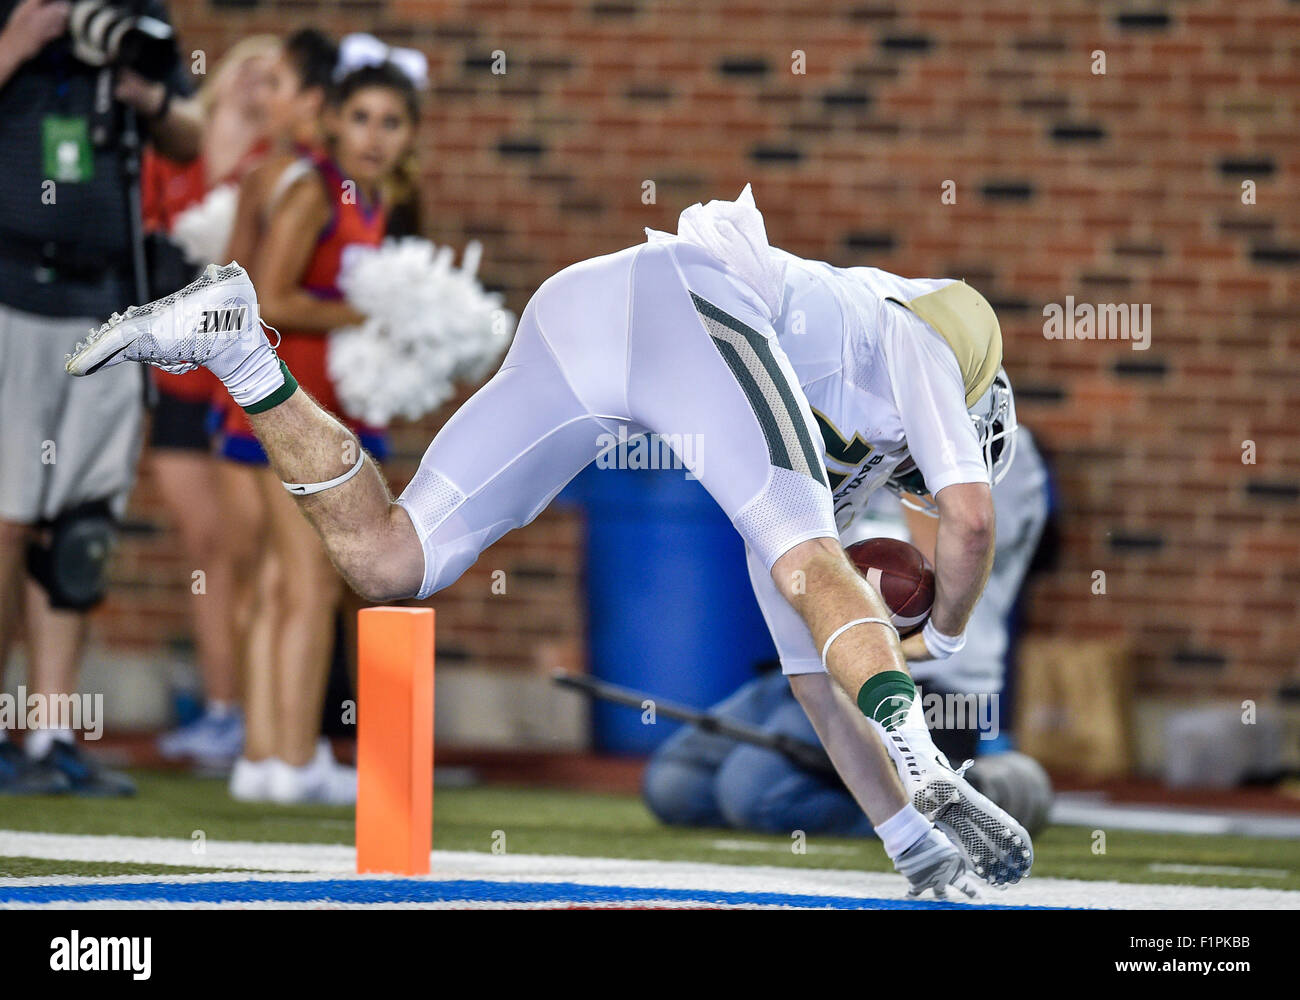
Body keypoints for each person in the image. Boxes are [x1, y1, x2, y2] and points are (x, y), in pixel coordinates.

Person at [68, 187, 1031, 896]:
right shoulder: (929, 337)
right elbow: (972, 522)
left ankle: (239, 345)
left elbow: (820, 692)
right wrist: (940, 645)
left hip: (585, 316)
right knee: (808, 558)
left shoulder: (810, 460)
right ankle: (927, 761)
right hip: (689, 302)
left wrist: (915, 847)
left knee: (390, 562)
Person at [643, 429, 1051, 837]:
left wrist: (914, 443)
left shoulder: (995, 443)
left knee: (749, 793)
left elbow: (936, 572)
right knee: (675, 784)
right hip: (817, 665)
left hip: (929, 686)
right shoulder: (850, 429)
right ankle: (900, 793)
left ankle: (962, 804)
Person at [0, 0, 200, 795]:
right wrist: (16, 45)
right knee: (8, 519)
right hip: (13, 295)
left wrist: (147, 97)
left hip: (110, 304)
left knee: (80, 529)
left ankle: (52, 736)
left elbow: (189, 138)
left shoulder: (137, 18)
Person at [220, 48, 422, 804]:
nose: (373, 135)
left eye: (391, 122)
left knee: (284, 581)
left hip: (321, 410)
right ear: (332, 121)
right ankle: (295, 757)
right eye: (360, 118)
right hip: (296, 411)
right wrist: (373, 315)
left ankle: (267, 757)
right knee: (305, 582)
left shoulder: (372, 199)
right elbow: (266, 298)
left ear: (411, 134)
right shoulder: (317, 194)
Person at [144, 34, 278, 770]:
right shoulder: (171, 153)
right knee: (204, 547)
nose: (260, 83)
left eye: (275, 75)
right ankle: (221, 707)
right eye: (249, 67)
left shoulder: (274, 169)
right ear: (223, 78)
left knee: (246, 549)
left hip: (240, 385)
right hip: (177, 382)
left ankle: (261, 714)